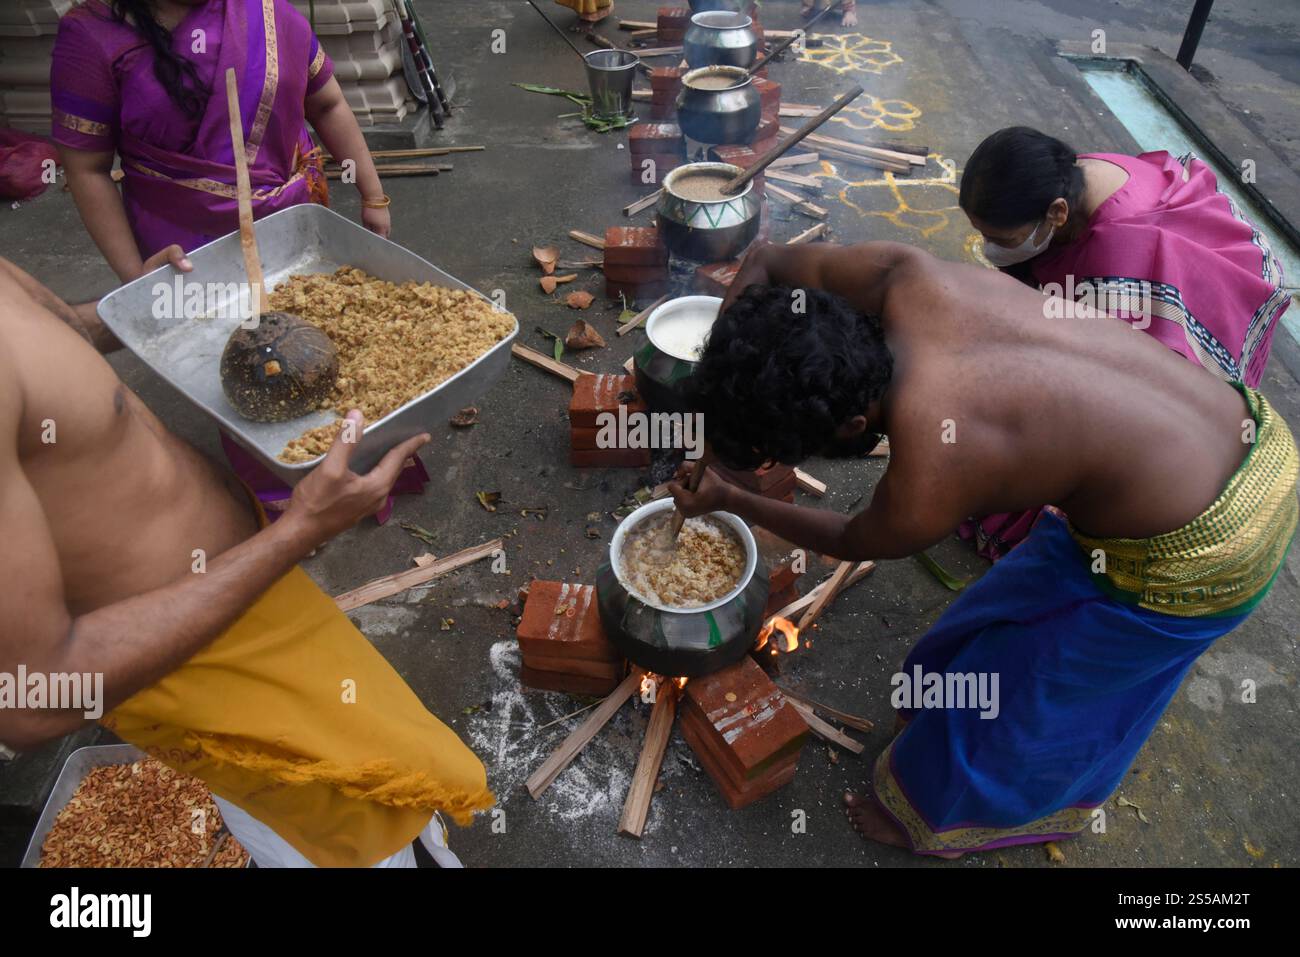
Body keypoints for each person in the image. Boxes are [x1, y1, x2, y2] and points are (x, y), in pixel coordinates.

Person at [669, 240, 1298, 857]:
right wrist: (720, 379)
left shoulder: (935, 463)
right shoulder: (901, 274)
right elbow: (764, 259)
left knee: (1025, 698)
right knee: (1006, 610)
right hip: (1239, 429)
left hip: (1207, 553)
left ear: (854, 426)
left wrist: (733, 499)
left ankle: (944, 820)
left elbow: (852, 538)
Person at [0, 252, 492, 867]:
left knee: (383, 766)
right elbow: (30, 697)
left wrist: (147, 306)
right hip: (196, 664)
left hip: (252, 595)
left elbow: (62, 336)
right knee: (348, 819)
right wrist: (298, 532)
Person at [955, 126, 1292, 559]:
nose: (990, 250)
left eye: (1001, 241)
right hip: (1176, 260)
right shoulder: (1075, 174)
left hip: (1214, 289)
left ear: (1057, 213)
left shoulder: (1117, 256)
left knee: (1110, 418)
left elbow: (1097, 380)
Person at [51, 0, 391, 283]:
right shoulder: (92, 35)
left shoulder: (264, 12)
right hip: (183, 252)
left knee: (309, 344)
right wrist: (137, 281)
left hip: (295, 234)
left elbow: (327, 103)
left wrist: (373, 196)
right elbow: (87, 169)